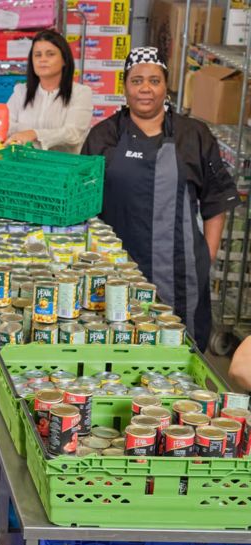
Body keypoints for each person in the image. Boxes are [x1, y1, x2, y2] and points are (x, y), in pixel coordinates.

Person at [82, 47, 241, 351]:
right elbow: (86, 205)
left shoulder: (193, 135)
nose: (145, 89)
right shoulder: (103, 137)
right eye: (137, 80)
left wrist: (204, 258)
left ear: (165, 86)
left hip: (179, 275)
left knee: (181, 351)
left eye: (154, 81)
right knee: (115, 346)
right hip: (115, 269)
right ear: (125, 86)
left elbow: (215, 202)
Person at [5, 29, 93, 153]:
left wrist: (34, 133)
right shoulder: (21, 92)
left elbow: (73, 134)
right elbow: (6, 125)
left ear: (64, 60)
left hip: (63, 168)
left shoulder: (81, 93)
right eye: (38, 55)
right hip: (23, 166)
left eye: (50, 54)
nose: (43, 59)